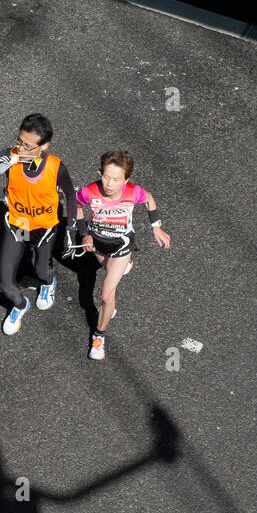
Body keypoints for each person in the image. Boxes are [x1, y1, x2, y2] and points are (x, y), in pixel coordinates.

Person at [0, 112, 78, 335]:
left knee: (42, 270)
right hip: (18, 225)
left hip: (43, 228)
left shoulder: (56, 167)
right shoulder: (9, 157)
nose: (20, 149)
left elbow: (70, 194)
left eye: (28, 146)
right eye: (19, 141)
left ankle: (48, 283)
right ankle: (20, 305)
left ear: (44, 146)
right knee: (5, 285)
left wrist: (72, 227)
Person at [66, 150, 172, 361]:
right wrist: (84, 234)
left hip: (121, 246)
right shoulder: (89, 191)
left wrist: (156, 227)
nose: (109, 183)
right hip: (97, 245)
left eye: (116, 179)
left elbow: (149, 199)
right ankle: (124, 269)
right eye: (106, 176)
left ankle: (99, 334)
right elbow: (76, 205)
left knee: (105, 295)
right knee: (108, 271)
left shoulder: (133, 192)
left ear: (126, 180)